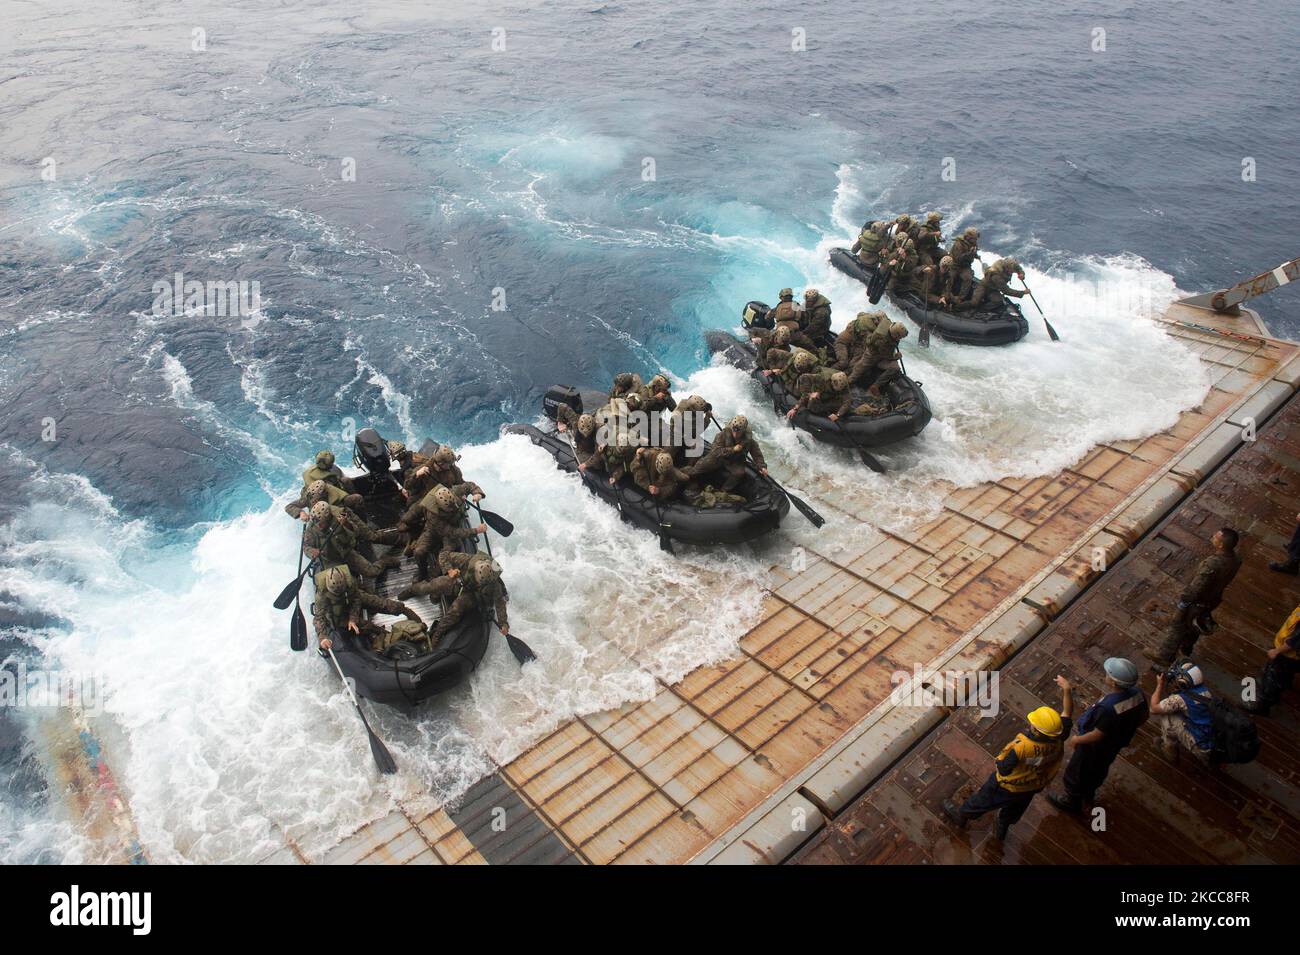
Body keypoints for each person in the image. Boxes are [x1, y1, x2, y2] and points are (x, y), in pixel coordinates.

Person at [943, 676, 1074, 841]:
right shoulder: (1059, 736)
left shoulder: (1021, 748)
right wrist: (1067, 690)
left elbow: (1004, 768)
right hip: (1033, 785)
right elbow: (1067, 713)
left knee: (984, 799)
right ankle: (1003, 824)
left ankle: (962, 815)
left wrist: (999, 763)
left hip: (1009, 786)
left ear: (1035, 728)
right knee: (1016, 808)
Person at [1047, 658, 1148, 814]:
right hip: (1113, 746)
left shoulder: (1107, 709)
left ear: (1114, 683)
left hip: (1093, 748)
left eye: (1108, 674)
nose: (1105, 675)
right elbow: (1144, 716)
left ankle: (1072, 801)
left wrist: (1076, 739)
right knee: (1099, 770)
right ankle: (1088, 794)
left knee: (1077, 771)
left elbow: (1097, 735)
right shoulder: (1138, 694)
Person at [1150, 527, 1242, 667]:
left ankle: (1164, 656)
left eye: (1216, 536)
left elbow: (1195, 588)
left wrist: (1183, 601)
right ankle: (1185, 652)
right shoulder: (1236, 559)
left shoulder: (1212, 563)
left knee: (1177, 626)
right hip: (1213, 600)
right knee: (1194, 627)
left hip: (1197, 602)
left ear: (1221, 544)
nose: (1213, 536)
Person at [400, 550, 509, 641]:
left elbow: (499, 602)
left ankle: (437, 633)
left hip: (474, 594)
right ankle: (412, 590)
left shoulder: (493, 584)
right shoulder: (467, 560)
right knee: (434, 585)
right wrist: (450, 570)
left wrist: (503, 623)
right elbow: (444, 555)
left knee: (456, 607)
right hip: (459, 580)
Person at [313, 565, 421, 651]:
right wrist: (322, 637)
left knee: (380, 603)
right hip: (339, 613)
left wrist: (353, 617)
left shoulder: (351, 581)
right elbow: (319, 618)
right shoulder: (321, 596)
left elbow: (356, 599)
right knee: (365, 626)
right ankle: (384, 634)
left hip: (353, 599)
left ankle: (404, 610)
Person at [303, 501, 400, 581]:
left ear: (328, 518)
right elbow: (306, 547)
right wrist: (312, 552)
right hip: (331, 560)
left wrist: (346, 524)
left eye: (321, 523)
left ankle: (385, 561)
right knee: (342, 583)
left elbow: (356, 532)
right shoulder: (311, 529)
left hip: (347, 552)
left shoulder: (339, 517)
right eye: (317, 524)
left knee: (372, 572)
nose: (319, 526)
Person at [408, 485, 485, 580]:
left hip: (453, 527)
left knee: (446, 555)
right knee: (419, 552)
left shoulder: (456, 490)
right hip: (435, 531)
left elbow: (469, 485)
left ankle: (437, 572)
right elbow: (452, 532)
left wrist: (477, 494)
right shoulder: (433, 515)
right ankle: (422, 572)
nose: (452, 508)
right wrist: (476, 530)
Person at [1149, 659, 1214, 764]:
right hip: (1212, 738)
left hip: (1202, 747)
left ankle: (1169, 751)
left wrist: (1159, 685)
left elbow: (1153, 708)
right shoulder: (1205, 691)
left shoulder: (1180, 699)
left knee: (1168, 716)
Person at [1244, 602, 1300, 716]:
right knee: (1284, 674)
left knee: (1273, 679)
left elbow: (1295, 641)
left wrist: (1277, 651)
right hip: (1291, 657)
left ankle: (1262, 706)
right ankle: (1284, 684)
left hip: (1288, 656)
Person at [689, 414, 767, 495]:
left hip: (735, 461)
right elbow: (715, 451)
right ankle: (691, 476)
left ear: (743, 431)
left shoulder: (749, 440)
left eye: (738, 432)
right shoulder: (722, 435)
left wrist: (762, 466)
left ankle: (723, 491)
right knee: (702, 465)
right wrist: (732, 449)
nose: (735, 434)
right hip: (719, 457)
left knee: (739, 473)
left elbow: (757, 454)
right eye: (734, 431)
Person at [285, 477, 362, 521]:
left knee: (354, 503)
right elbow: (289, 507)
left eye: (316, 497)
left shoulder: (332, 494)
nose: (314, 500)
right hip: (320, 518)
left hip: (336, 509)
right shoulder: (308, 497)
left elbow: (339, 504)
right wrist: (301, 512)